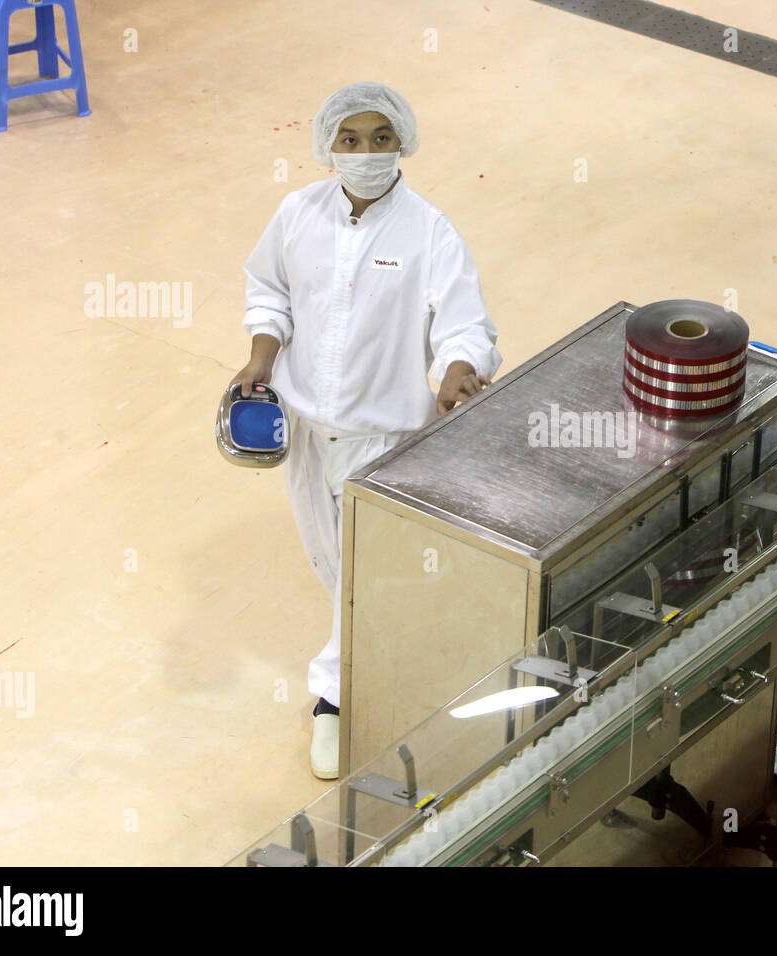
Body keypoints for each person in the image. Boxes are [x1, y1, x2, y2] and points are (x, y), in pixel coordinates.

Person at [231, 82, 502, 779]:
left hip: (381, 440)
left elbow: (465, 322)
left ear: (403, 142)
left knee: (366, 575)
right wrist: (260, 359)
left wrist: (458, 369)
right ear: (328, 145)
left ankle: (335, 698)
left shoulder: (428, 231)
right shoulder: (298, 213)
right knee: (336, 569)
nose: (365, 152)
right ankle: (372, 669)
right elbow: (270, 290)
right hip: (301, 425)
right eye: (349, 140)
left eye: (380, 137)